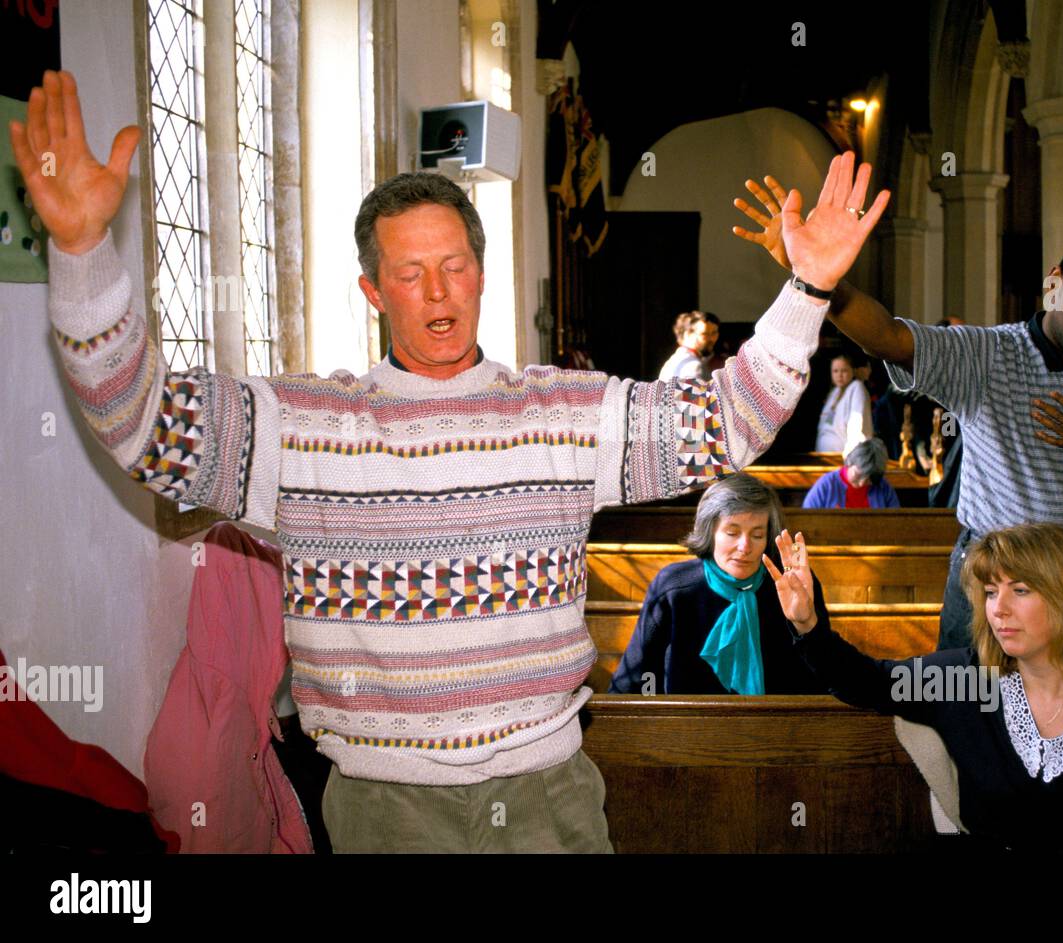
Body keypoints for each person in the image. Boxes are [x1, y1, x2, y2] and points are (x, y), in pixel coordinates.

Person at [13, 73, 889, 852]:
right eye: (408, 273)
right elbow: (146, 425)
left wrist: (807, 291)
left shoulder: (561, 412)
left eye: (455, 266)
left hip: (548, 794)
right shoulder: (305, 426)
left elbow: (727, 420)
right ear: (371, 290)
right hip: (386, 808)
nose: (437, 294)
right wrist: (86, 257)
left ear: (479, 269)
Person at [733, 179, 1063, 677]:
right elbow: (890, 337)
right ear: (1056, 281)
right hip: (990, 584)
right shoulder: (988, 355)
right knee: (967, 715)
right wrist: (815, 278)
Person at [764, 523, 1063, 852]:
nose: (999, 608)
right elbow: (867, 681)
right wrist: (808, 624)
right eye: (991, 592)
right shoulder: (965, 680)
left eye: (1020, 590)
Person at [608, 474, 828, 695]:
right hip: (686, 725)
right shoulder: (673, 588)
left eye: (758, 535)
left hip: (782, 725)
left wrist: (806, 624)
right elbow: (642, 675)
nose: (745, 547)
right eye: (732, 533)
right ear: (710, 531)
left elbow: (824, 676)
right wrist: (652, 718)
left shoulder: (794, 585)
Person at [802, 438, 899, 509]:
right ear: (850, 462)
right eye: (859, 474)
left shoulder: (884, 487)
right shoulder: (826, 485)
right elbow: (806, 518)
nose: (862, 483)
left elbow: (896, 523)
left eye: (870, 479)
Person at [814, 353, 872, 454]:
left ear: (852, 371)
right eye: (835, 371)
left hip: (844, 456)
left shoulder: (856, 388)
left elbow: (857, 423)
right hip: (824, 454)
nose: (839, 375)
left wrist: (852, 455)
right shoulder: (834, 393)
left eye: (844, 370)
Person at [657, 310, 720, 382]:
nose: (711, 338)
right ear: (688, 334)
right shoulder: (694, 366)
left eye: (714, 333)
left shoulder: (672, 362)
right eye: (704, 333)